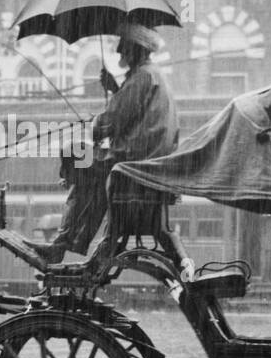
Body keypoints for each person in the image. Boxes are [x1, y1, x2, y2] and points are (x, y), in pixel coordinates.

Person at [26, 23, 179, 264]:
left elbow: (109, 123)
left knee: (74, 153)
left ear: (135, 49)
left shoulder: (141, 77)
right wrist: (115, 89)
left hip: (132, 160)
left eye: (123, 46)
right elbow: (131, 113)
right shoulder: (153, 75)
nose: (119, 52)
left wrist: (97, 124)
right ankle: (67, 238)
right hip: (146, 159)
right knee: (86, 171)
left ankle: (64, 241)